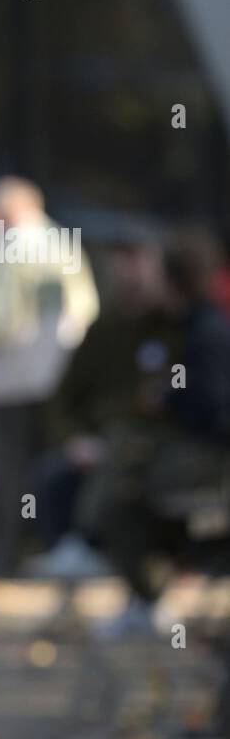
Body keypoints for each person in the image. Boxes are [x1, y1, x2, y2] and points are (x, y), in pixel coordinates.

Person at [77, 228, 230, 632]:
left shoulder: (205, 330)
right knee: (122, 482)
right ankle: (138, 588)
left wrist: (169, 397)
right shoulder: (187, 324)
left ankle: (102, 551)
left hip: (210, 460)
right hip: (197, 453)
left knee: (124, 494)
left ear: (173, 280)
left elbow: (214, 406)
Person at [28, 219, 175, 580]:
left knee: (121, 469)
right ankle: (70, 555)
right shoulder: (103, 329)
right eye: (119, 259)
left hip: (148, 441)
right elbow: (65, 396)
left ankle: (90, 545)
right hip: (98, 438)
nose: (127, 270)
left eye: (136, 258)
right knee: (53, 475)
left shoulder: (173, 326)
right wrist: (73, 438)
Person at [0, 176, 99, 573]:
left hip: (10, 379)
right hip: (58, 373)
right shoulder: (62, 241)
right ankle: (53, 544)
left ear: (0, 213)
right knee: (49, 465)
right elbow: (87, 307)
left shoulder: (8, 247)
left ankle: (7, 552)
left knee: (7, 471)